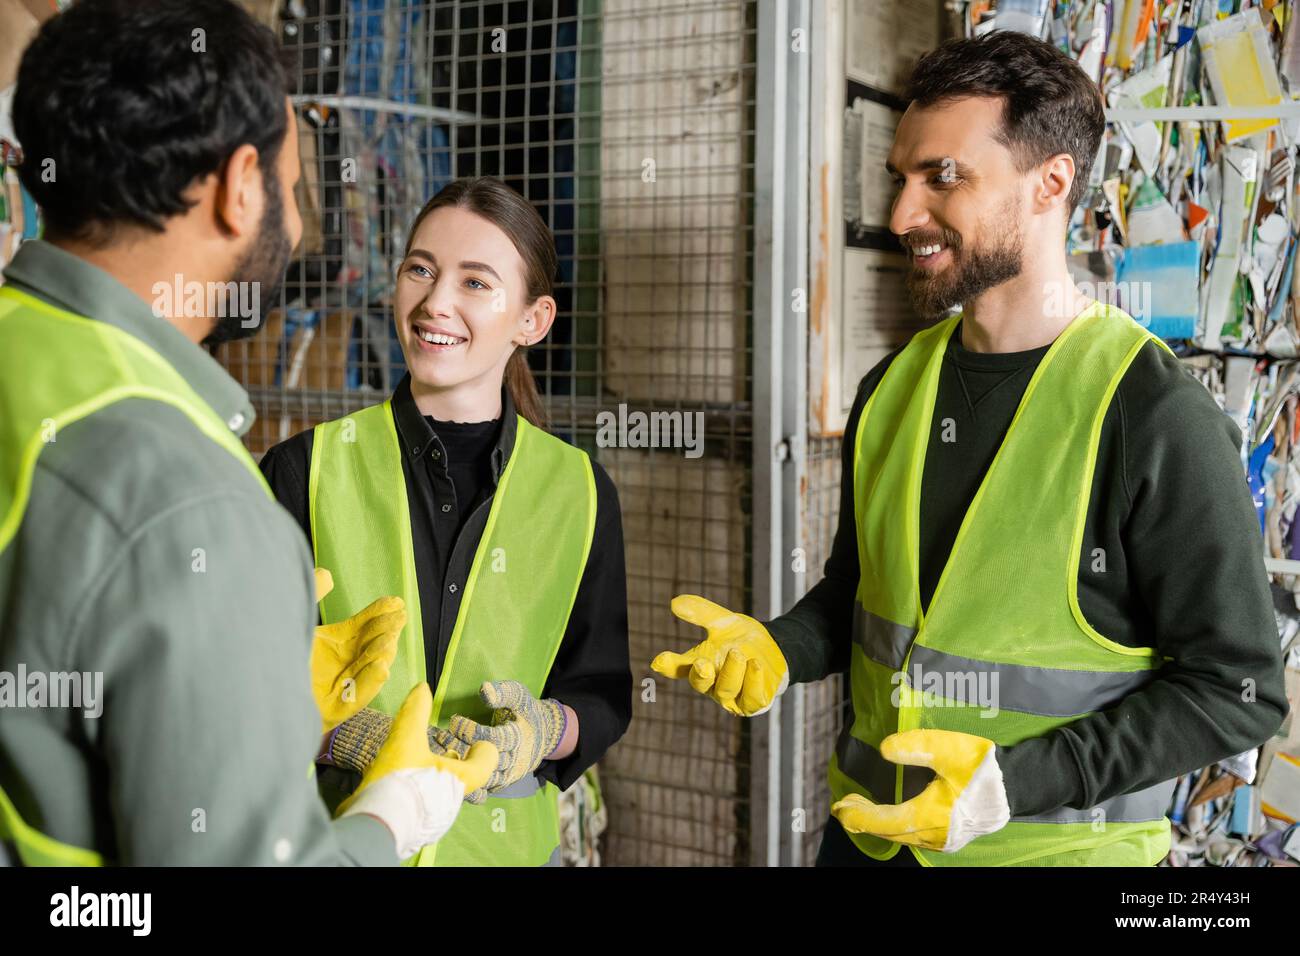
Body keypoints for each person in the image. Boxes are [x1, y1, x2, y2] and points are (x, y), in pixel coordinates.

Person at [652, 30, 1288, 866]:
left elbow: (1234, 692)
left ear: (1049, 184)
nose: (901, 217)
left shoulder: (1155, 416)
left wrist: (1012, 784)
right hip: (869, 844)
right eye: (901, 180)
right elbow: (861, 600)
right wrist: (781, 645)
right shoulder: (893, 388)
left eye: (942, 177)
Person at [0, 0, 490, 866]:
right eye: (295, 190)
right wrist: (390, 819)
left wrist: (212, 678)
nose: (297, 228)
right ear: (238, 189)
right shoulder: (198, 505)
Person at [259, 176, 632, 867]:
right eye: (419, 270)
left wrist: (543, 731)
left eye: (476, 283)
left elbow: (602, 691)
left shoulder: (580, 493)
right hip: (335, 847)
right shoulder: (300, 470)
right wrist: (342, 736)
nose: (435, 303)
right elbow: (234, 677)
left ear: (533, 320)